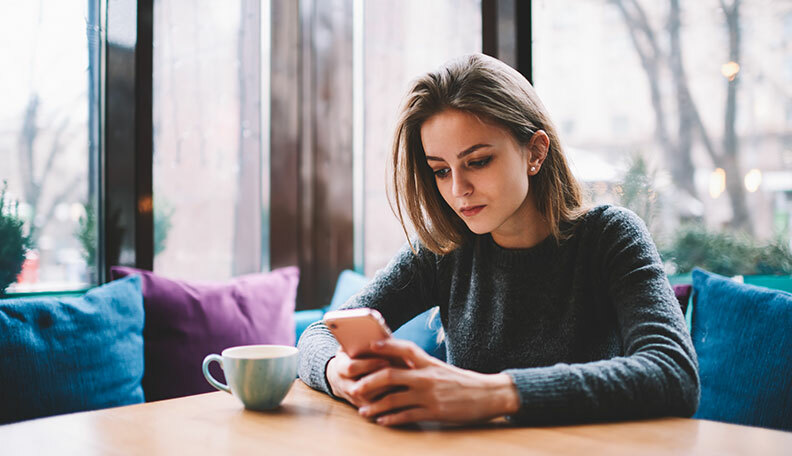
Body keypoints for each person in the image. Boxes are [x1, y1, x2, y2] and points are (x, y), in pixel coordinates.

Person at [297, 53, 699, 427]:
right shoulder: (442, 251)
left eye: (477, 162)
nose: (458, 190)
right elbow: (318, 335)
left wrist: (490, 393)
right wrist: (340, 374)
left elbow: (673, 373)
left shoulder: (610, 236)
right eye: (440, 170)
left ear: (535, 153)